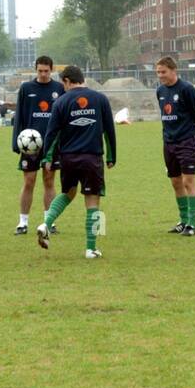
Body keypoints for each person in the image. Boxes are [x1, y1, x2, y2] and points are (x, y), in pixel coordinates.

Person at [35, 65, 115, 259]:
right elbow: (109, 130)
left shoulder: (61, 102)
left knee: (68, 194)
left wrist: (47, 157)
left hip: (68, 158)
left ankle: (46, 223)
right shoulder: (100, 99)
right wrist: (112, 157)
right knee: (93, 200)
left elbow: (52, 133)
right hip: (92, 157)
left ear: (67, 81)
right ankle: (90, 249)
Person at [12, 56, 64, 236]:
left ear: (52, 70)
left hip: (52, 144)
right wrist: (15, 142)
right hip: (30, 145)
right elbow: (19, 115)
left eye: (46, 71)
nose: (43, 74)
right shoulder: (26, 88)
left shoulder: (59, 89)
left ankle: (49, 221)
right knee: (29, 181)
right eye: (40, 71)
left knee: (49, 181)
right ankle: (22, 222)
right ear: (35, 70)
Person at [155, 55, 195, 236]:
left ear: (174, 70)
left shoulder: (187, 89)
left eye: (163, 72)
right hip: (168, 143)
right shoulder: (160, 91)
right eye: (158, 72)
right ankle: (183, 221)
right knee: (175, 182)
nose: (160, 75)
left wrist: (188, 131)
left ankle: (192, 223)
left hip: (186, 142)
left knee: (188, 182)